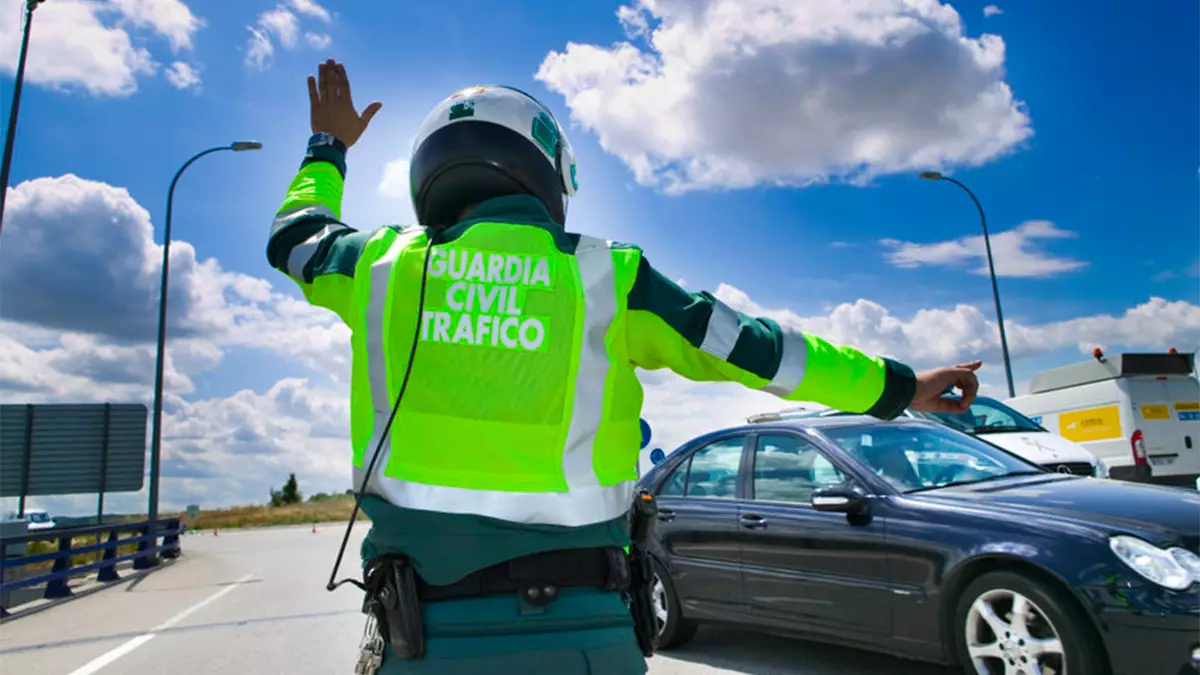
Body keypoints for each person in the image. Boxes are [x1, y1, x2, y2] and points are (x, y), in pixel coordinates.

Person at [266, 59, 982, 675]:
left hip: (426, 640)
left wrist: (327, 147)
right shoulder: (609, 276)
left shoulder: (380, 267)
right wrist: (899, 386)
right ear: (549, 171)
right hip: (586, 635)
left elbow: (294, 238)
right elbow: (759, 349)